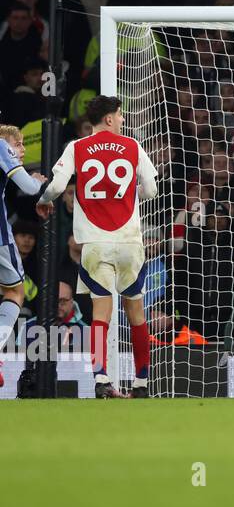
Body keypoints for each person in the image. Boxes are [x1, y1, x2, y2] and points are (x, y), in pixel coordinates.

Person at [35, 96, 158, 398]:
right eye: (119, 115)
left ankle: (102, 379)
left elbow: (54, 186)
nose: (123, 120)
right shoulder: (132, 146)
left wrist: (43, 201)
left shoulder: (76, 148)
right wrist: (130, 195)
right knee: (136, 314)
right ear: (108, 119)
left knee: (100, 313)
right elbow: (152, 190)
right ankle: (142, 383)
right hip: (129, 242)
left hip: (95, 244)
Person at [0, 125, 47, 385]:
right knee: (14, 292)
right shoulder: (0, 145)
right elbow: (28, 187)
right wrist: (38, 181)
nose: (22, 149)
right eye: (18, 145)